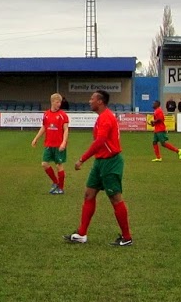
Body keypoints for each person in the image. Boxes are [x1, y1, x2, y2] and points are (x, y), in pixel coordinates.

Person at [66, 90, 133, 245]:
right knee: (89, 194)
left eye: (92, 99)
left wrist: (82, 159)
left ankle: (127, 238)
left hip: (111, 162)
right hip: (100, 161)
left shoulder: (106, 118)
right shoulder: (102, 117)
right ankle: (82, 234)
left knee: (115, 198)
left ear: (100, 101)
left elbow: (100, 141)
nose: (89, 101)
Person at [31, 92, 70, 192]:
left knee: (59, 165)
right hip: (48, 144)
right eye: (57, 102)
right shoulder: (46, 114)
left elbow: (66, 129)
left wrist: (64, 142)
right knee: (44, 164)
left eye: (60, 102)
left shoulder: (63, 115)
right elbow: (44, 127)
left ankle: (61, 188)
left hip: (59, 145)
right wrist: (36, 138)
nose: (59, 104)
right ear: (52, 102)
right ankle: (56, 182)